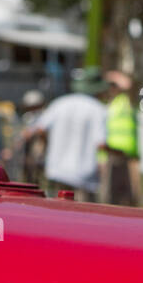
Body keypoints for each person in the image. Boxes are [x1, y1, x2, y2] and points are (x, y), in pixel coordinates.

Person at [23, 69, 108, 201]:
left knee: (56, 208)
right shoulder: (98, 109)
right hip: (84, 174)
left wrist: (47, 145)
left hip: (57, 168)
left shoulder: (59, 103)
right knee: (81, 210)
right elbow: (100, 143)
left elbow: (39, 129)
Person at [101, 70, 140, 206]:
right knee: (110, 199)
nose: (111, 88)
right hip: (110, 155)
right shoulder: (107, 105)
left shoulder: (126, 101)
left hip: (129, 157)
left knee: (130, 200)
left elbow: (132, 86)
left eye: (113, 85)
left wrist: (114, 76)